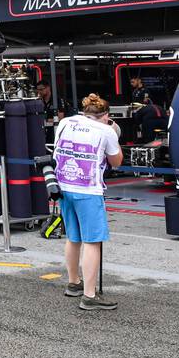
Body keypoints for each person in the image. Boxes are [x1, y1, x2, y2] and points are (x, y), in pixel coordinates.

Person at [53, 94, 122, 311]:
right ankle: (90, 295)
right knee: (93, 241)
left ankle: (74, 283)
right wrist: (112, 132)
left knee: (73, 237)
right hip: (88, 189)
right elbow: (116, 162)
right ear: (106, 115)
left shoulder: (65, 123)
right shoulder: (106, 131)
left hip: (63, 185)